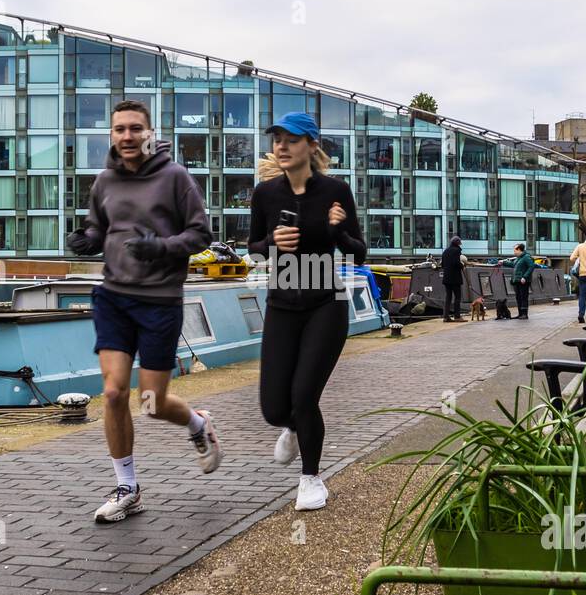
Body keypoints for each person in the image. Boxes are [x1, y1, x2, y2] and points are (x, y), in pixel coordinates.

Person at [66, 99, 222, 523]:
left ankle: (196, 422)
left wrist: (161, 248)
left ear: (149, 133)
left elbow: (201, 234)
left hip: (159, 300)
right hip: (114, 296)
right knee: (114, 393)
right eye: (120, 130)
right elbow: (100, 226)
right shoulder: (104, 181)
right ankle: (128, 488)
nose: (128, 137)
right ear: (111, 135)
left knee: (151, 403)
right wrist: (87, 238)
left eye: (136, 129)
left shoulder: (174, 178)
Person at [248, 112, 366, 512]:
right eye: (277, 138)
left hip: (324, 303)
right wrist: (270, 242)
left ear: (312, 146)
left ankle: (311, 479)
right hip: (281, 303)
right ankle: (293, 428)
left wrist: (337, 232)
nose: (282, 145)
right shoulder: (265, 194)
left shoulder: (336, 191)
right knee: (273, 408)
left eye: (291, 139)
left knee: (303, 396)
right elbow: (253, 248)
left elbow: (358, 252)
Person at [441, 236, 466, 321]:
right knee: (457, 297)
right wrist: (462, 265)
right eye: (459, 243)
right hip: (455, 278)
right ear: (457, 243)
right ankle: (457, 316)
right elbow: (456, 263)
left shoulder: (445, 251)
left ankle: (446, 316)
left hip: (446, 278)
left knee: (448, 297)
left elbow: (443, 265)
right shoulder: (457, 251)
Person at [510, 242, 536, 319]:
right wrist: (503, 262)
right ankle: (520, 314)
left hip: (523, 281)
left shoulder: (526, 257)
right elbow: (513, 265)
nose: (514, 252)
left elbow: (531, 267)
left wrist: (524, 277)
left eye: (515, 250)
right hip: (517, 281)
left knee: (523, 297)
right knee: (518, 297)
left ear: (519, 250)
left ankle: (524, 314)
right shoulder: (518, 258)